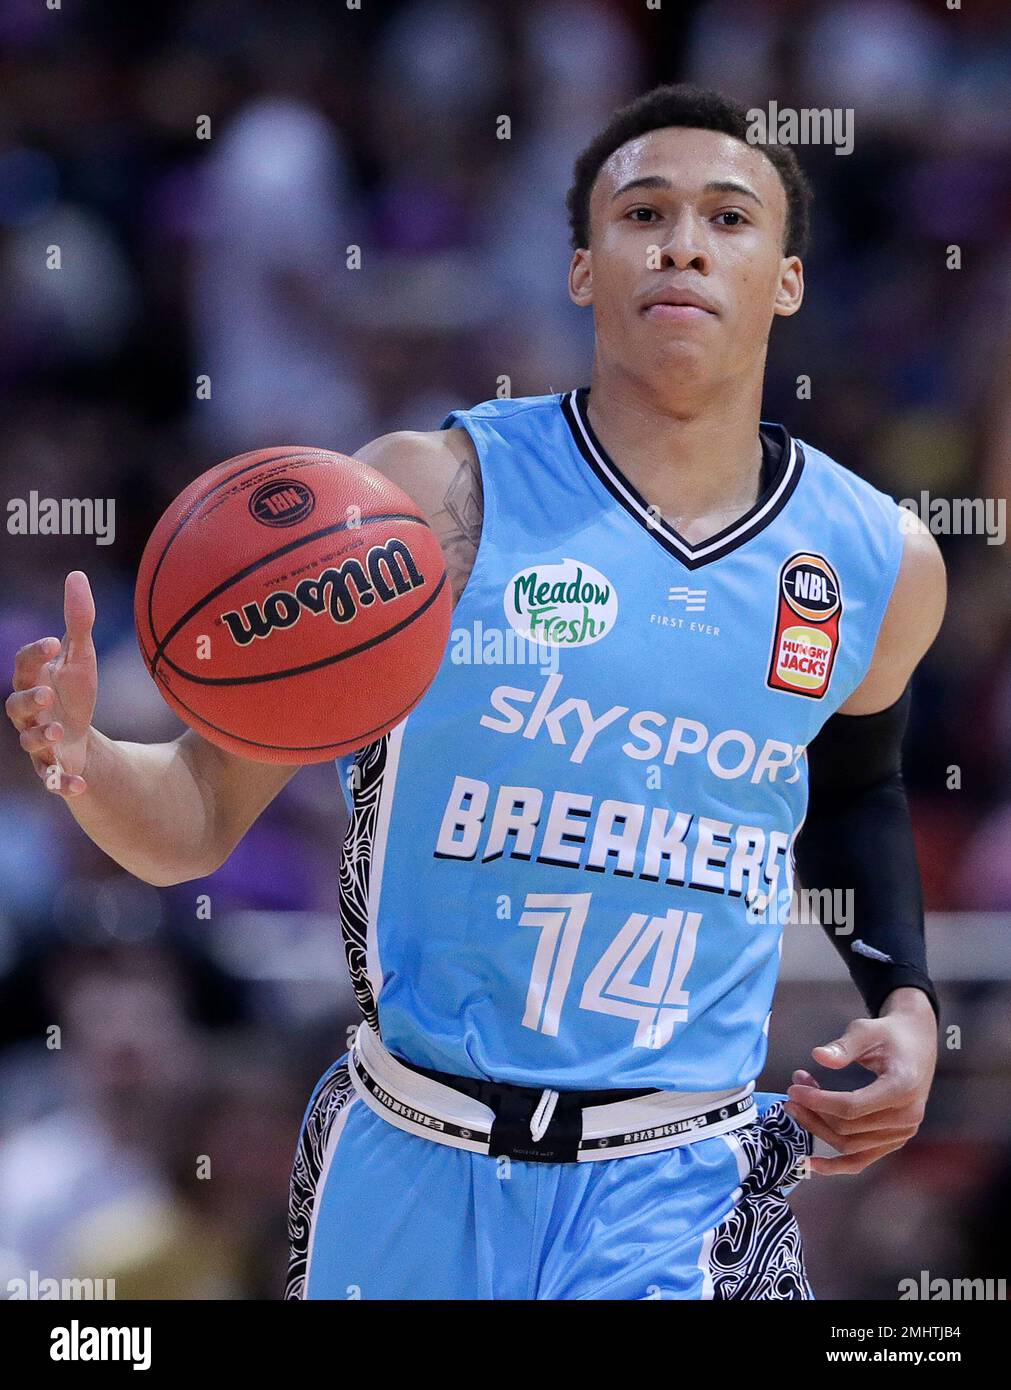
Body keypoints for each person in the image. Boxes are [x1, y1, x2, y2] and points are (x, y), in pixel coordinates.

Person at [6, 85, 944, 1300]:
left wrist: (908, 1000)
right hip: (412, 1160)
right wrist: (83, 756)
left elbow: (856, 784)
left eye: (730, 217)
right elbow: (195, 812)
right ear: (579, 268)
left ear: (786, 279)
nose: (684, 242)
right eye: (643, 211)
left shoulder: (876, 560)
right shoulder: (424, 500)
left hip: (681, 1185)